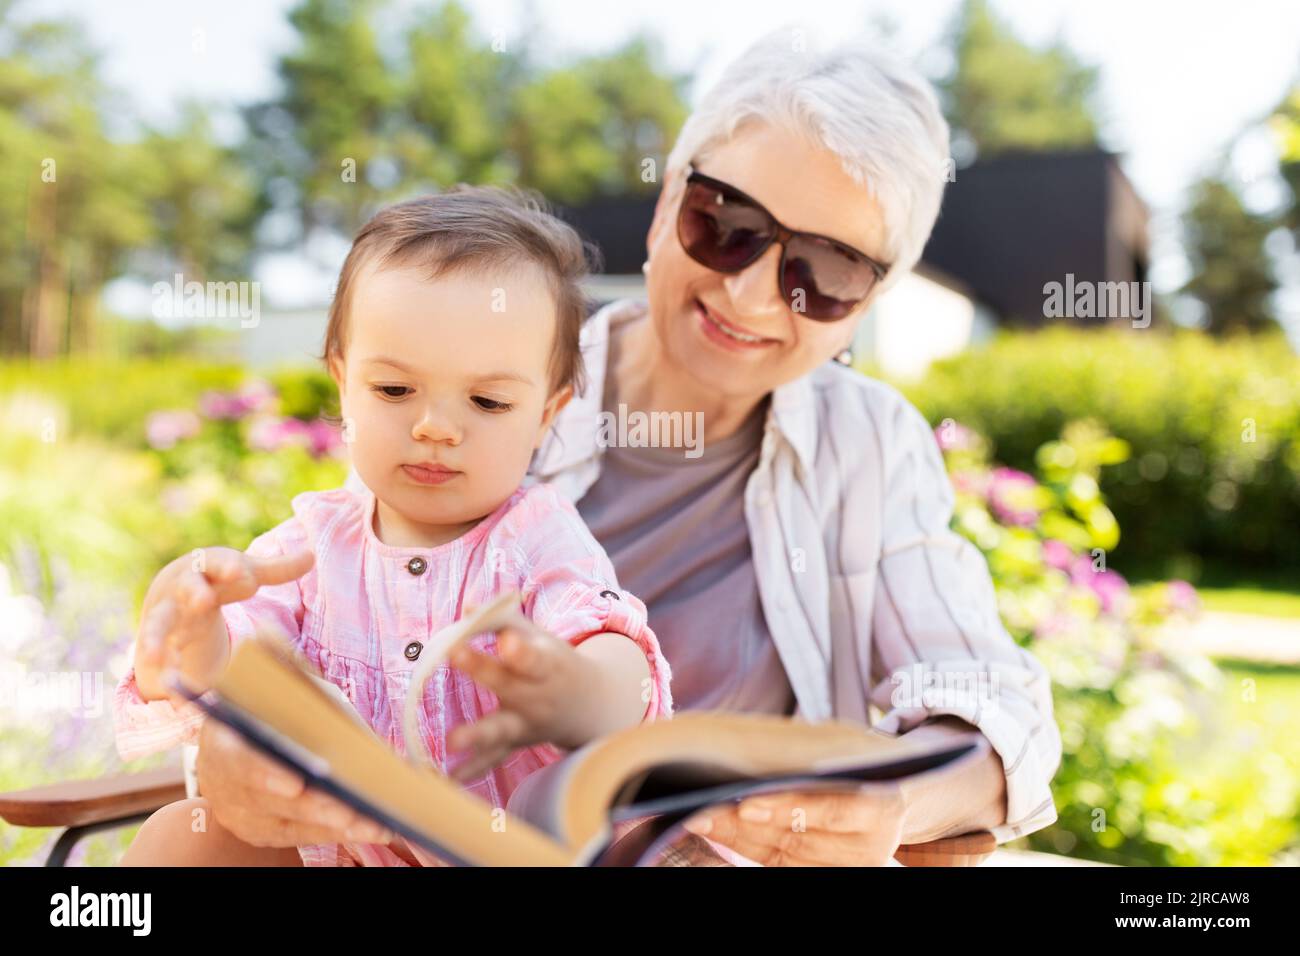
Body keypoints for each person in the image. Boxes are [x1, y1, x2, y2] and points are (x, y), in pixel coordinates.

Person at [189, 27, 1064, 867]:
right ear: (667, 198)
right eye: (728, 224)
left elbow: (991, 703)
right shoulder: (489, 378)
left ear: (866, 303)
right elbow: (318, 632)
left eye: (825, 273)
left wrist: (895, 806)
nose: (753, 297)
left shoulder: (868, 443)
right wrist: (233, 756)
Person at [114, 187, 672, 866]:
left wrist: (576, 689)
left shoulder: (533, 539)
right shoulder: (314, 545)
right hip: (346, 854)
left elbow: (617, 653)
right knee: (182, 835)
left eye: (488, 400)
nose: (434, 426)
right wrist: (190, 623)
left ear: (547, 413)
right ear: (343, 383)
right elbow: (234, 670)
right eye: (394, 390)